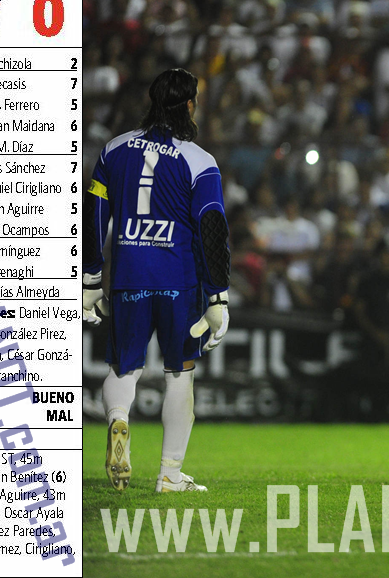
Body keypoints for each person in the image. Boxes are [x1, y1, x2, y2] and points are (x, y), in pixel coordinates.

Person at [83, 69, 231, 493]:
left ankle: (118, 420)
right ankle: (169, 474)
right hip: (178, 281)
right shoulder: (199, 160)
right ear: (188, 105)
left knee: (124, 368)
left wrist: (92, 279)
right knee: (179, 374)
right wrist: (217, 296)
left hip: (128, 276)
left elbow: (94, 214)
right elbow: (211, 226)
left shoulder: (114, 150)